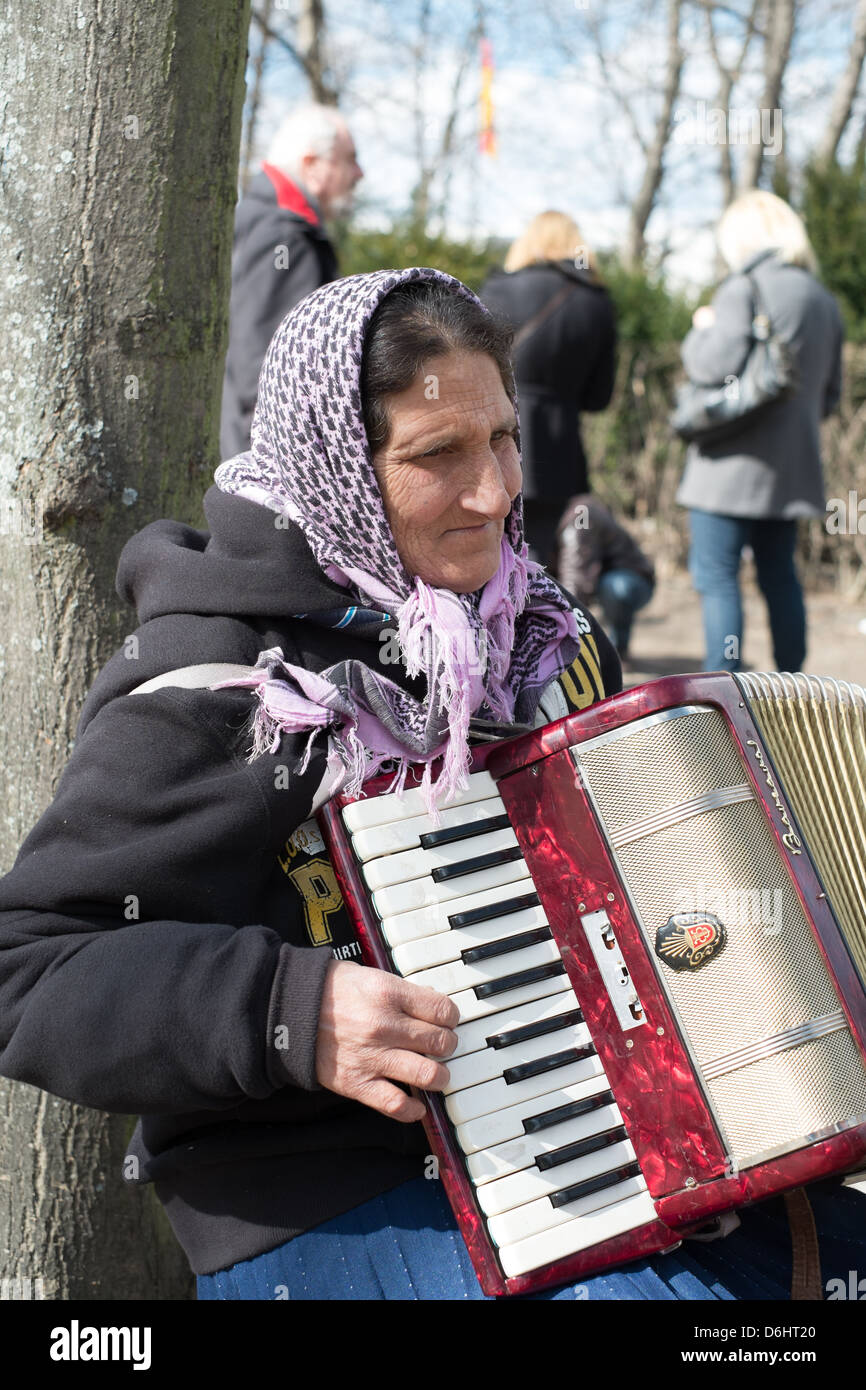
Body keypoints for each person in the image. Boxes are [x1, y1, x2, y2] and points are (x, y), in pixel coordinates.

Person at [0, 269, 861, 1302]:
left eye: (501, 438)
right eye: (435, 455)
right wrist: (287, 1007)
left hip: (605, 1117)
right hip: (324, 1184)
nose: (495, 492)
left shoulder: (541, 632)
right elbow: (29, 968)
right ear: (341, 471)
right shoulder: (223, 685)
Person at [676, 190, 844, 673]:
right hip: (790, 471)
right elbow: (828, 397)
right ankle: (794, 687)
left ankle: (722, 688)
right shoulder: (823, 300)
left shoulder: (743, 287)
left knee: (718, 578)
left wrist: (702, 327)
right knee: (780, 578)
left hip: (726, 469)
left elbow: (710, 365)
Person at [220, 103, 363, 458]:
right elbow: (268, 371)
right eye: (349, 159)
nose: (359, 173)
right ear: (311, 165)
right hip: (272, 465)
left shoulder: (266, 221)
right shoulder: (284, 233)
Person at [479, 211, 617, 568]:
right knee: (552, 551)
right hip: (561, 451)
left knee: (494, 546)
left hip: (495, 438)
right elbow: (599, 397)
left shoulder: (494, 290)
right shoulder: (594, 300)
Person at [556, 492, 656, 665]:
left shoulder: (582, 513)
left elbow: (575, 573)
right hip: (598, 580)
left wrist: (568, 627)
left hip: (632, 580)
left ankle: (616, 652)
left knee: (615, 587)